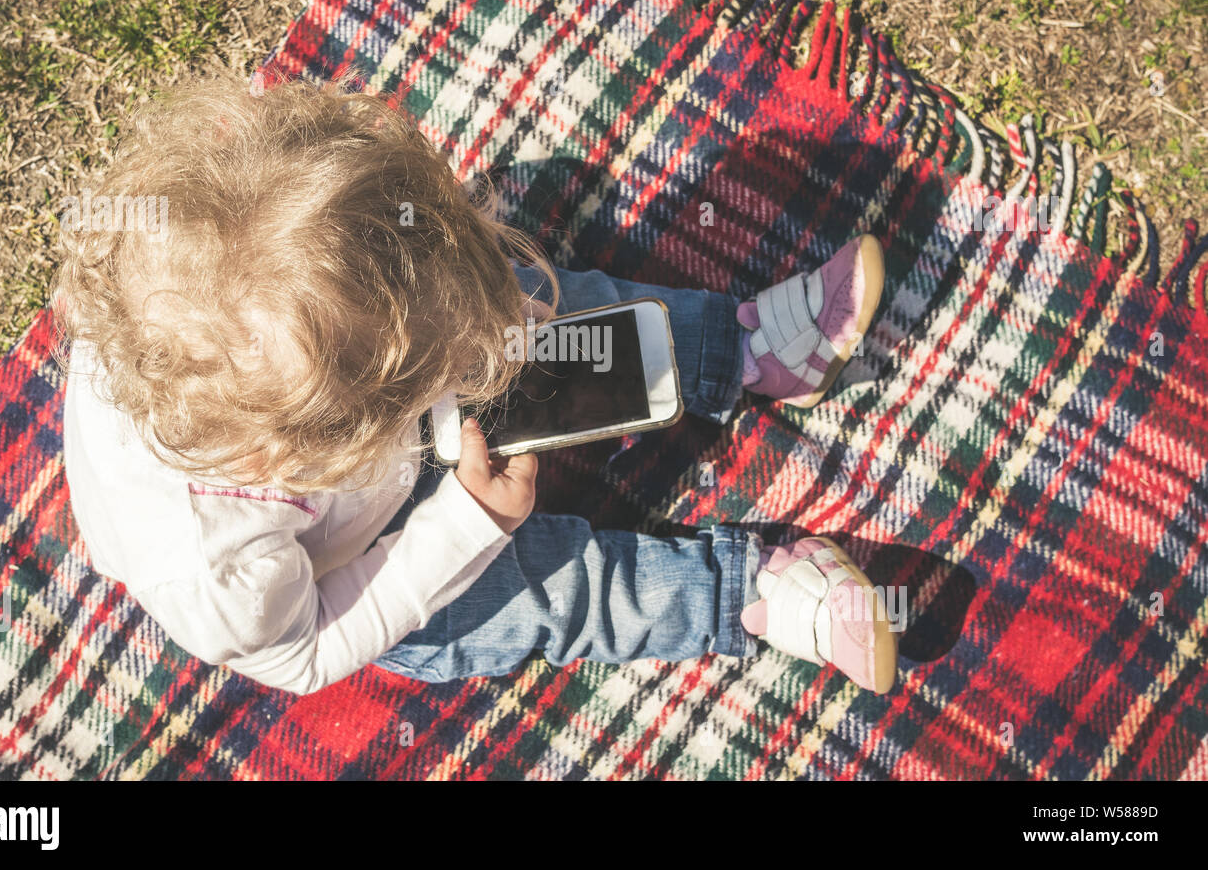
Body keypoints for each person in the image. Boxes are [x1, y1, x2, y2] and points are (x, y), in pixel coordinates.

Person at [54, 70, 898, 697]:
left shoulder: (213, 263)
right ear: (309, 442)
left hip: (357, 390)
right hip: (364, 569)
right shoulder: (216, 570)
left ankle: (739, 353)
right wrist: (464, 527)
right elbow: (307, 648)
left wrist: (472, 316)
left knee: (558, 318)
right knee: (539, 593)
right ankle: (744, 594)